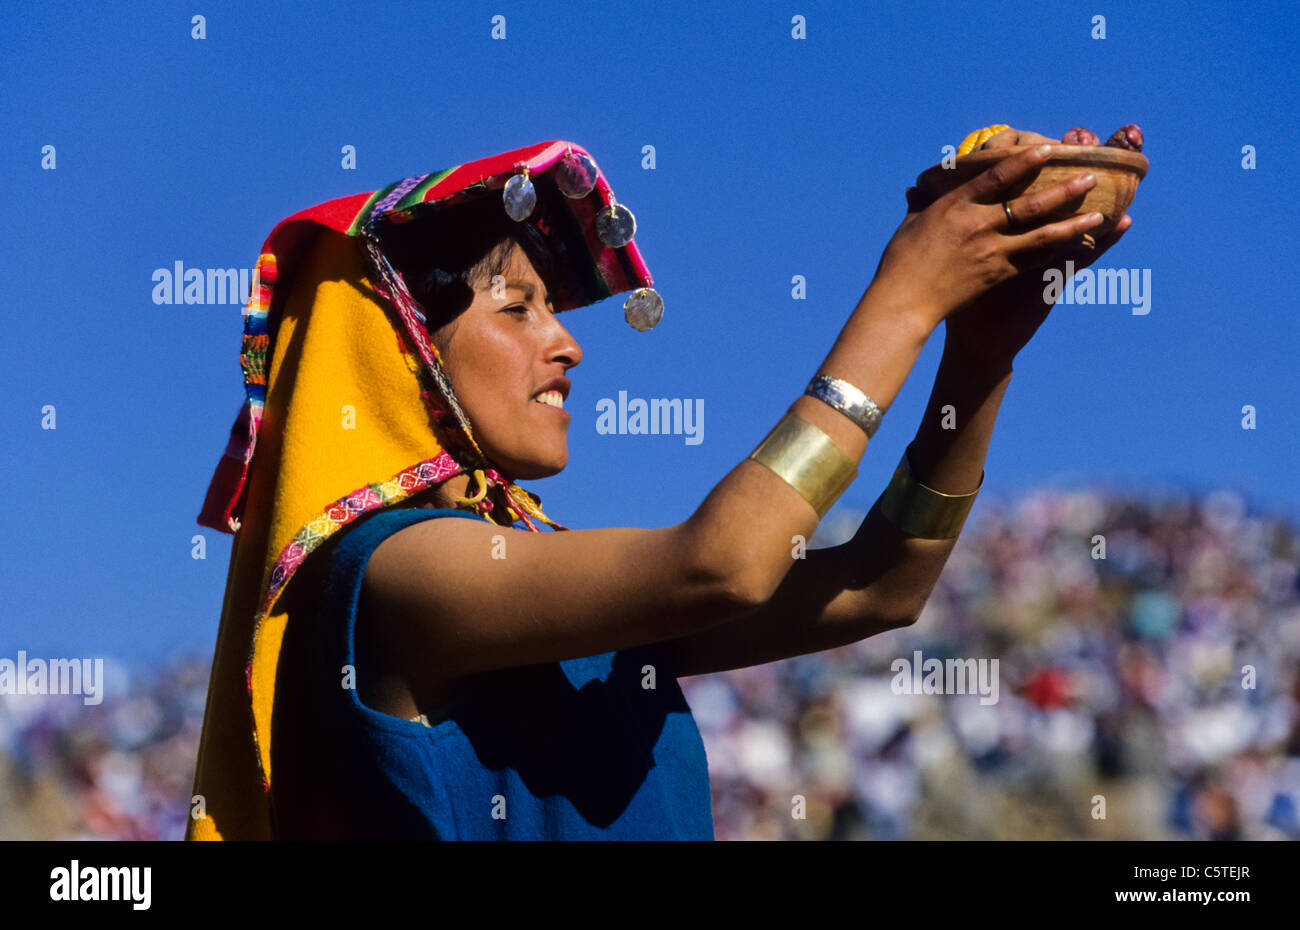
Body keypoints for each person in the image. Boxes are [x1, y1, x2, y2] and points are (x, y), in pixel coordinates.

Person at [186, 131, 1136, 840]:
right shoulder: (389, 576)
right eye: (519, 307)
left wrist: (977, 355)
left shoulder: (542, 593)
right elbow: (725, 565)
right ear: (400, 347)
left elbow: (887, 584)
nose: (568, 345)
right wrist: (907, 297)